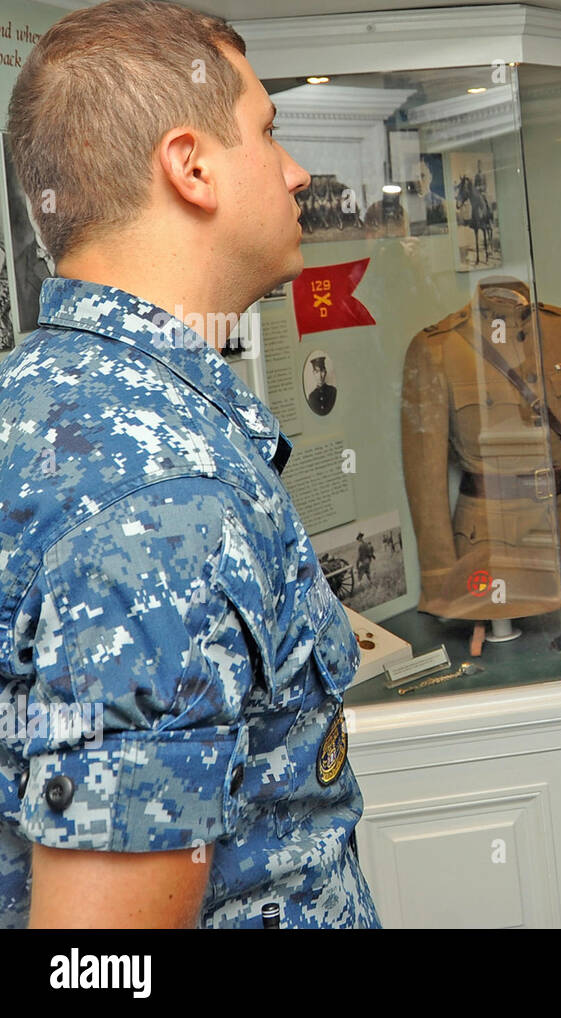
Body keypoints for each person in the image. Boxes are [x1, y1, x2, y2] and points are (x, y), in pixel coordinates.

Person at [0, 0, 380, 928]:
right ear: (192, 166)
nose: (295, 174)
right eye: (268, 133)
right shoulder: (165, 495)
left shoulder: (33, 396)